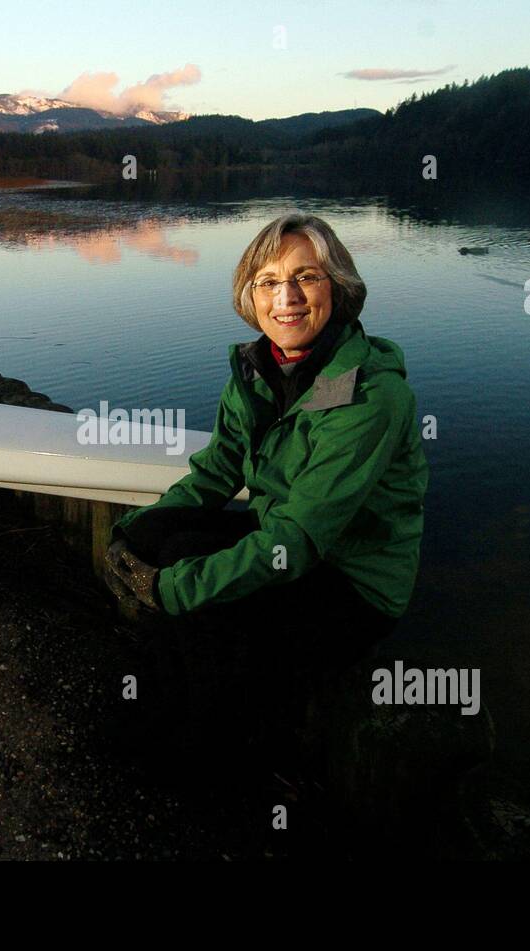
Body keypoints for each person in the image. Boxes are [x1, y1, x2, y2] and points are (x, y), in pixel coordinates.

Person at [103, 212, 429, 781]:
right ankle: (160, 715)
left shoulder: (370, 397)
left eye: (307, 277)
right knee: (167, 540)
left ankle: (210, 766)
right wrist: (135, 529)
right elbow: (216, 471)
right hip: (283, 537)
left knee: (198, 600)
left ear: (340, 288)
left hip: (351, 580)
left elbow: (299, 540)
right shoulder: (258, 370)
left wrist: (171, 589)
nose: (288, 297)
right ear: (250, 296)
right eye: (269, 281)